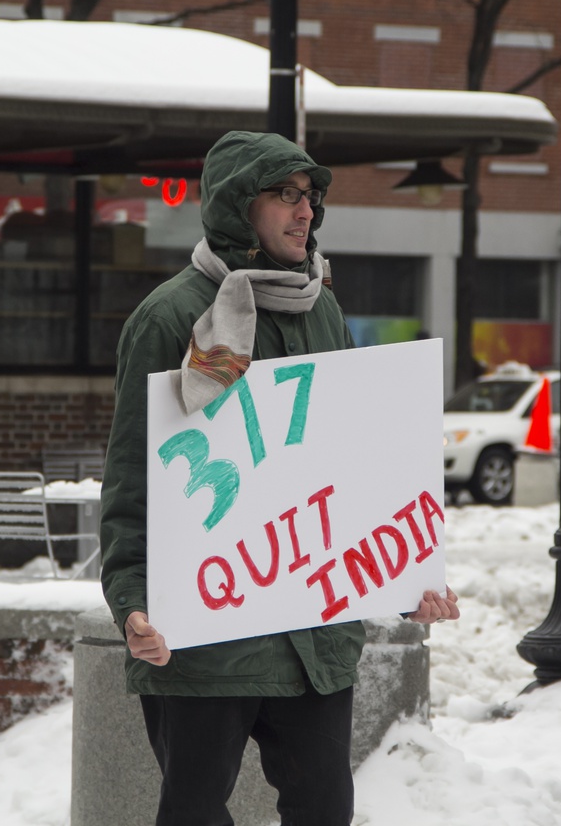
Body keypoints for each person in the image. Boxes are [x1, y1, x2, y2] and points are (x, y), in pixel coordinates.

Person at [98, 130, 459, 826]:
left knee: (325, 809)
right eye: (285, 195)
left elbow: (353, 459)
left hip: (313, 634)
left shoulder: (319, 305)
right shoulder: (172, 317)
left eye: (311, 198)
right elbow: (132, 483)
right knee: (195, 813)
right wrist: (132, 603)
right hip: (204, 634)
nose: (306, 213)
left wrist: (405, 571)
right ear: (239, 206)